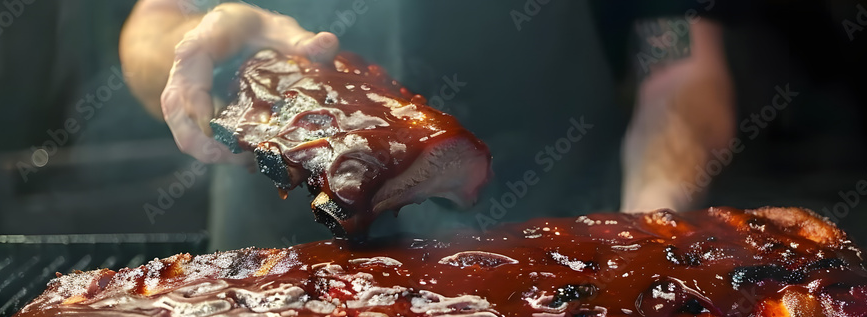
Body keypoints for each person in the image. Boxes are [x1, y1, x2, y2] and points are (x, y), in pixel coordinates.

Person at [120, 0, 735, 250]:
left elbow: (680, 68)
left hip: (546, 255)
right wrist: (207, 47)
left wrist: (648, 238)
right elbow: (152, 25)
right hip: (276, 277)